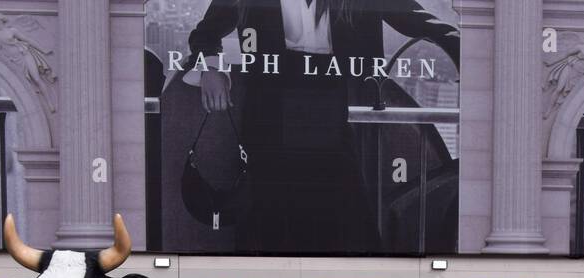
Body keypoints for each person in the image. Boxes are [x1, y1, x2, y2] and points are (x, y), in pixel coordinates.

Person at [185, 0, 460, 253]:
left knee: (341, 204)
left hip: (331, 93)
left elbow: (413, 17)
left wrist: (466, 51)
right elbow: (206, 32)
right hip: (270, 98)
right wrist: (211, 68)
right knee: (271, 205)